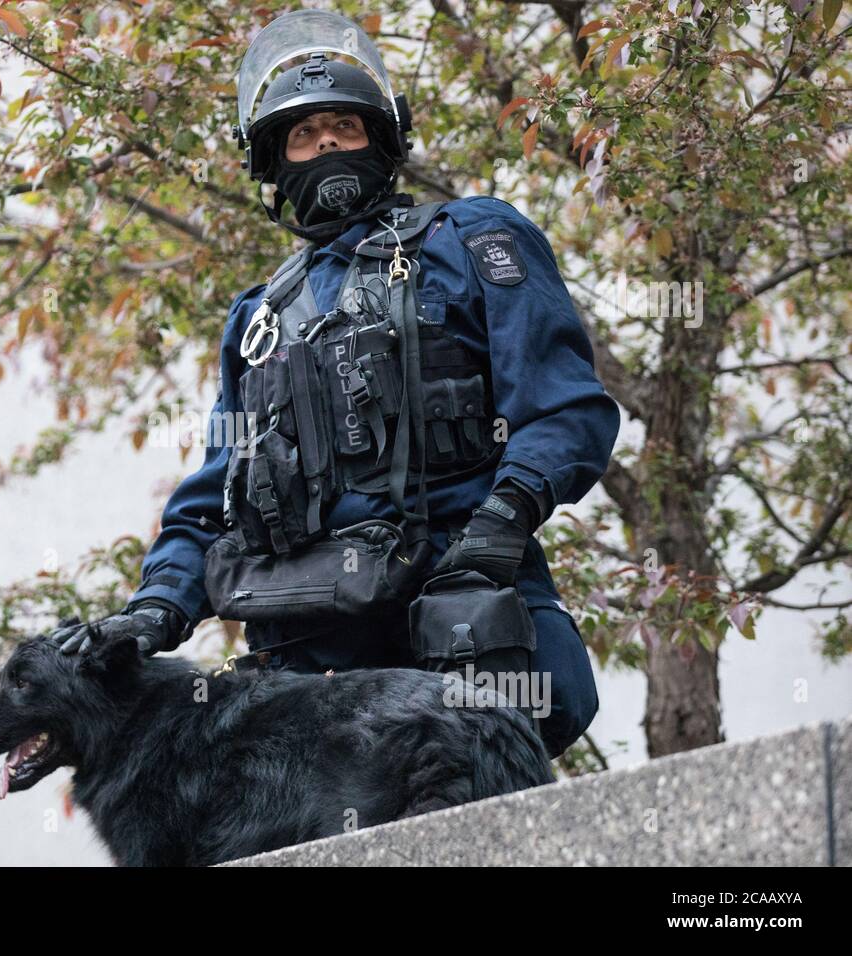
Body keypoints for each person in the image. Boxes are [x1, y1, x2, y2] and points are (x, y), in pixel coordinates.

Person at [54, 9, 619, 759]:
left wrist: (502, 524)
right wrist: (153, 611)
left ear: (380, 141)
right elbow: (211, 501)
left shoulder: (474, 240)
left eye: (342, 127)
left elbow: (566, 411)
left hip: (456, 590)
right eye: (301, 133)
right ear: (274, 164)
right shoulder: (257, 322)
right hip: (307, 639)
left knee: (508, 722)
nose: (323, 141)